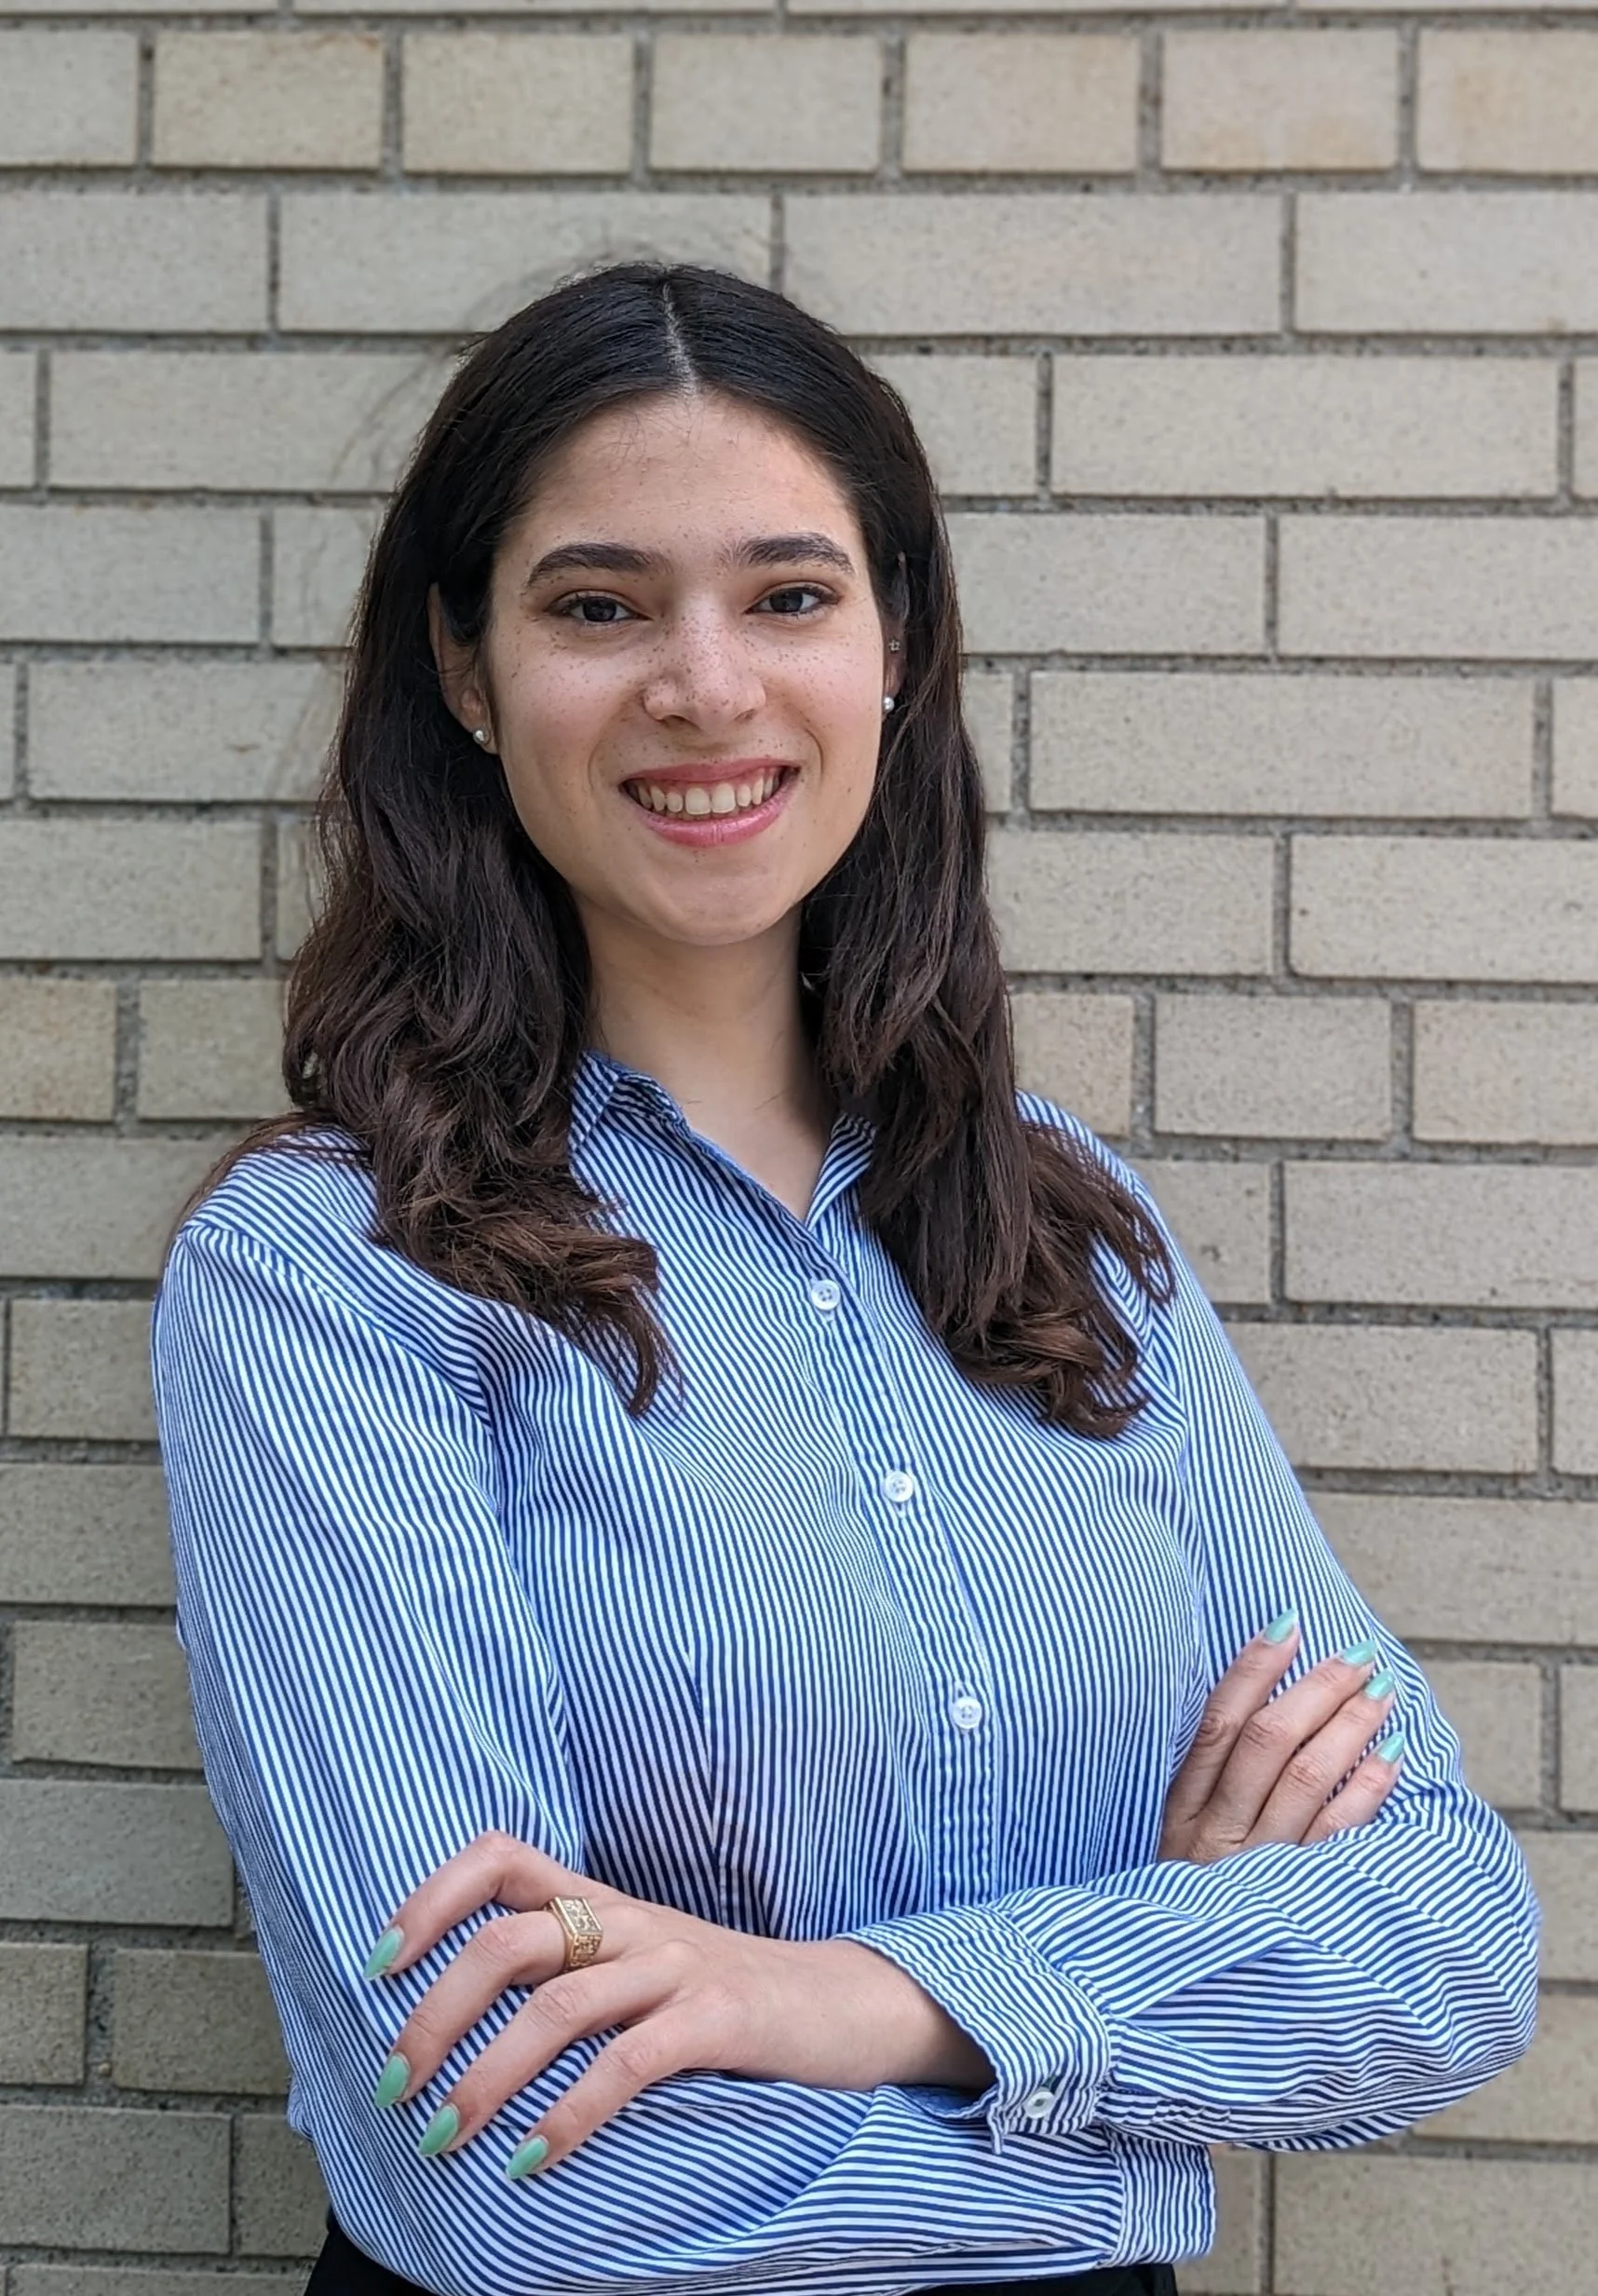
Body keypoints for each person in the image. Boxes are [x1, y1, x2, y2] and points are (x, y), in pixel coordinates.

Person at [151, 263, 1537, 2296]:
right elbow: (503, 2161)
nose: (705, 685)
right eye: (599, 603)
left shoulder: (1072, 1231)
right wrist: (1148, 2076)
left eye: (789, 594)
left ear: (894, 645)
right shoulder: (328, 1277)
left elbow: (1450, 1939)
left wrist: (854, 1996)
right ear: (465, 668)